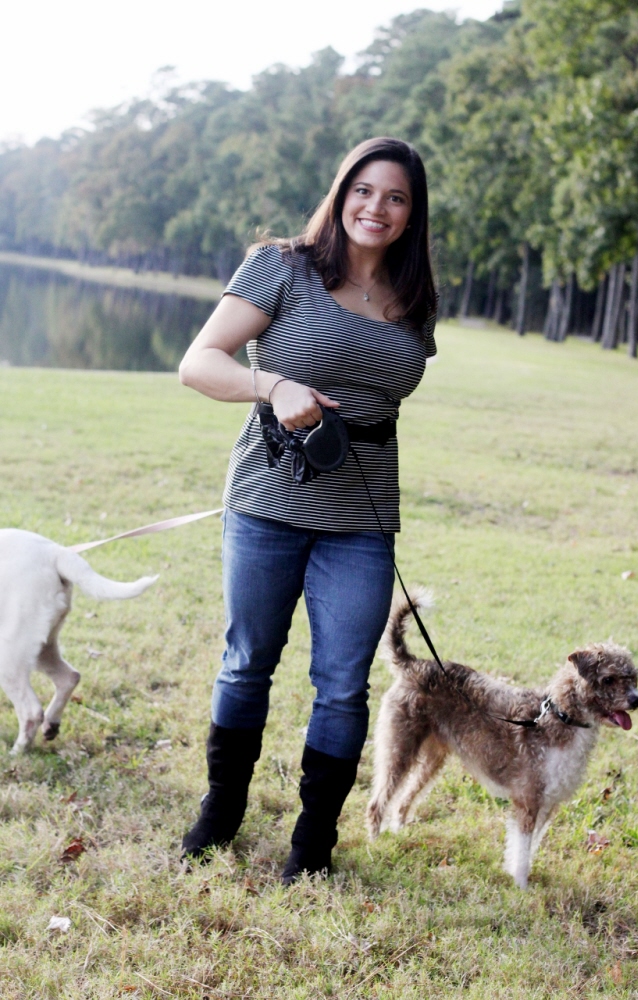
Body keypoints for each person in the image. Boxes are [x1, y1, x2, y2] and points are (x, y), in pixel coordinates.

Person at [178, 136, 437, 885]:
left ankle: (313, 842)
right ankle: (220, 811)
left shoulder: (416, 299)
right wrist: (274, 386)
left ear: (412, 213)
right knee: (247, 662)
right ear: (341, 193)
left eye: (395, 197)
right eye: (364, 190)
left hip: (362, 517)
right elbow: (199, 363)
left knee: (344, 682)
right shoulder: (281, 266)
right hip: (267, 500)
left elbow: (383, 394)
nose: (376, 207)